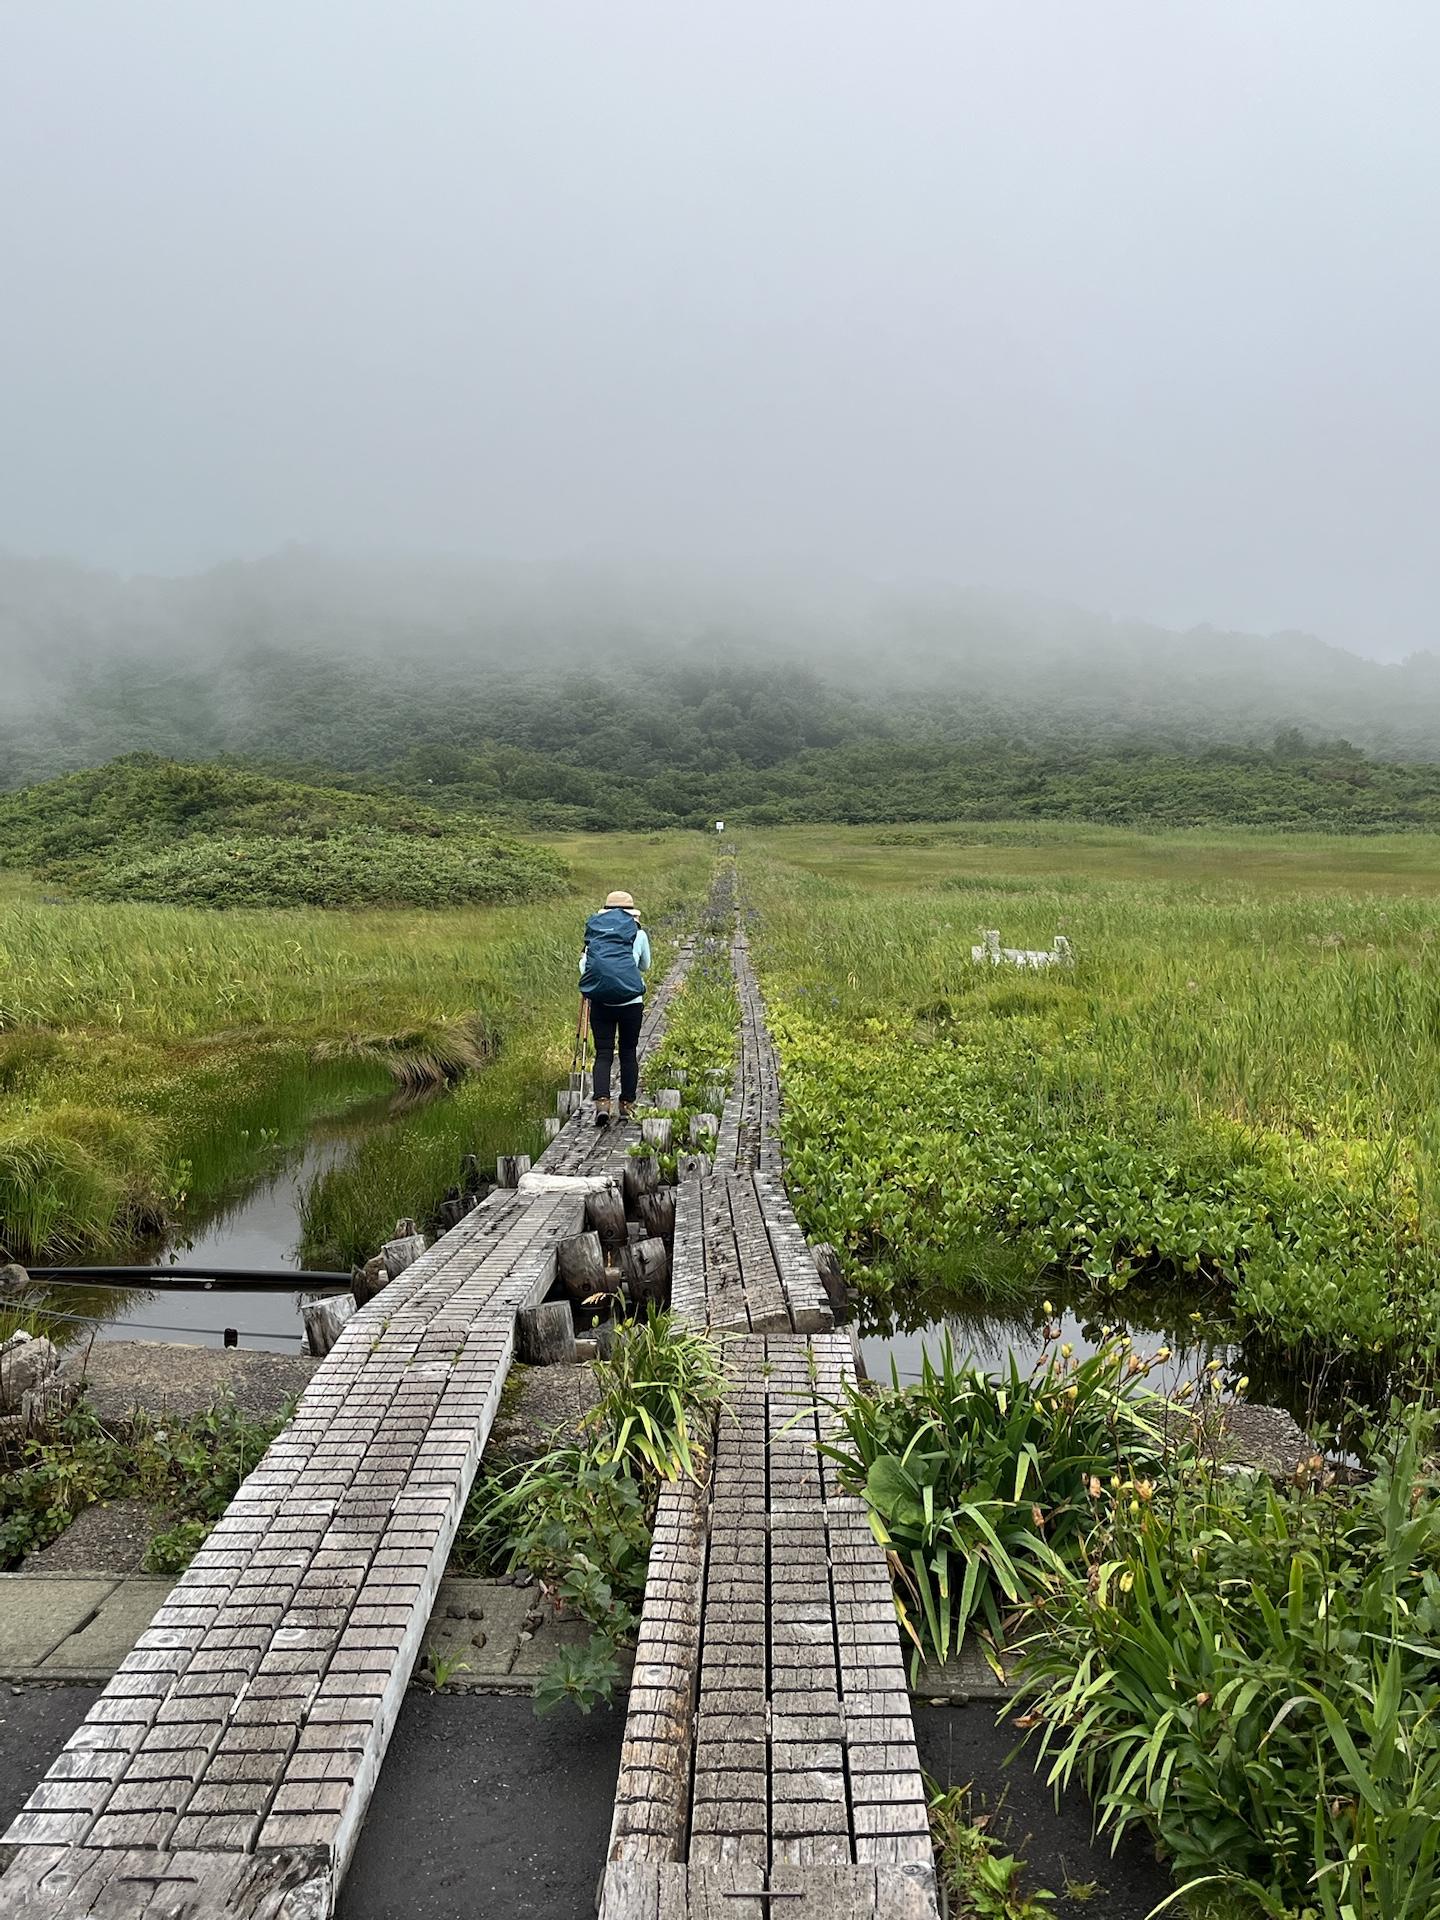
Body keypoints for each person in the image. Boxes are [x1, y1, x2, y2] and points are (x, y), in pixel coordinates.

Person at [580, 889, 651, 1126]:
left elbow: (584, 968)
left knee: (603, 1053)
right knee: (628, 1053)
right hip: (631, 1002)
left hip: (601, 1002)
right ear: (631, 912)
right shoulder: (638, 934)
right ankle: (627, 1105)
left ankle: (602, 1103)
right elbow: (645, 965)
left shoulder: (594, 934)